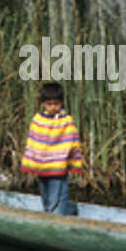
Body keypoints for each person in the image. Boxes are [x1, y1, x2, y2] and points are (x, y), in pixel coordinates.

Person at [20, 81, 83, 215]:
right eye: (49, 104)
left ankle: (64, 214)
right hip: (41, 168)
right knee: (46, 198)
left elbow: (72, 142)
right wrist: (32, 162)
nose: (53, 107)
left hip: (59, 168)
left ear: (61, 103)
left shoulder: (66, 121)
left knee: (58, 199)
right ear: (43, 104)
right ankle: (64, 212)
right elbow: (33, 142)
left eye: (56, 104)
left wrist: (73, 161)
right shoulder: (38, 120)